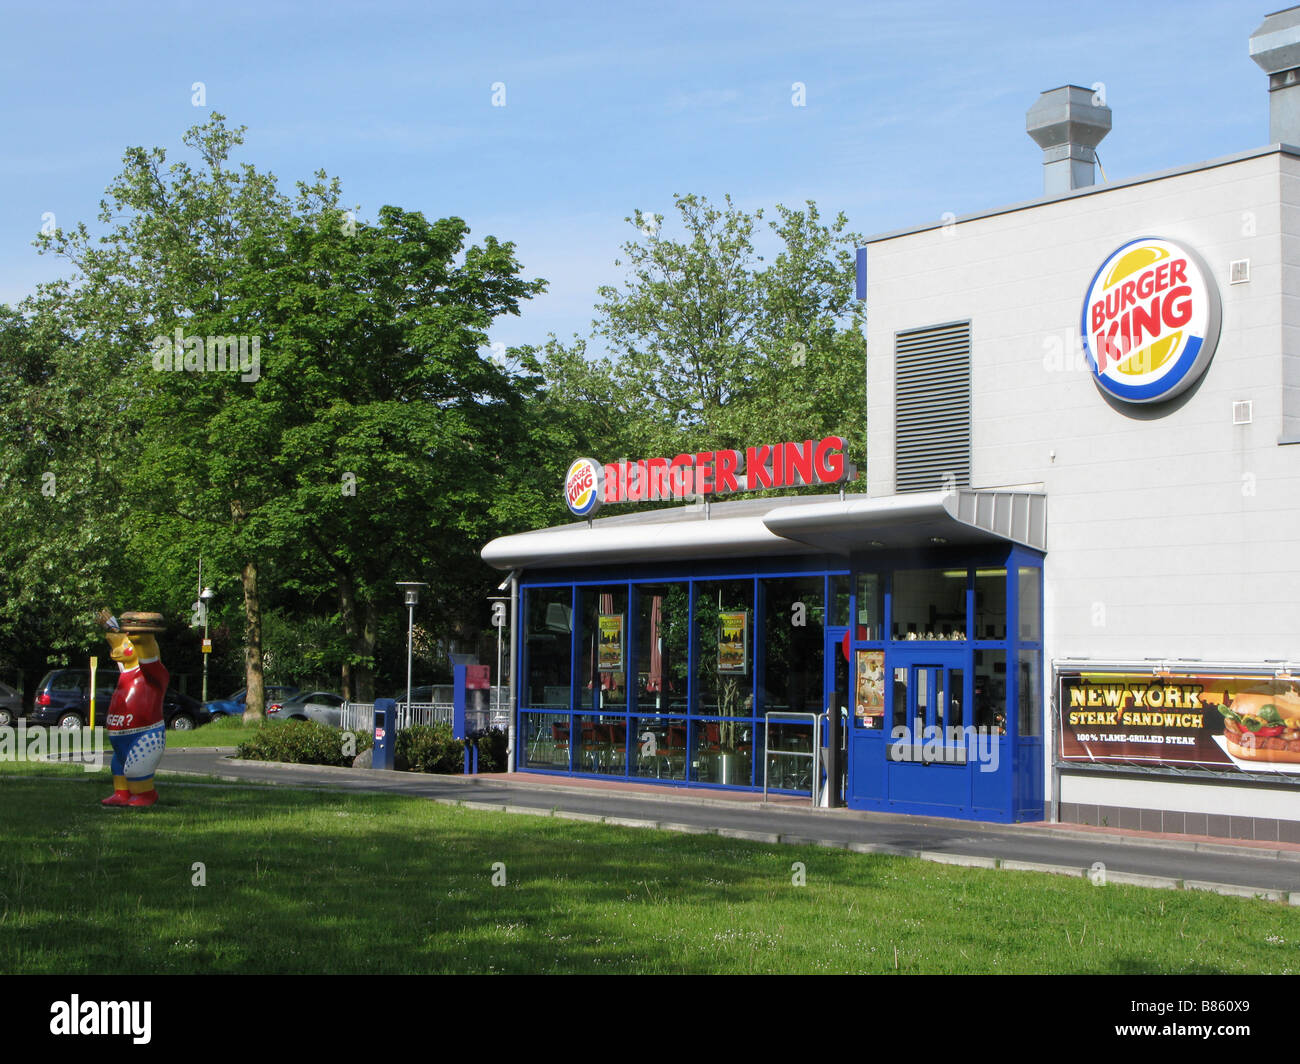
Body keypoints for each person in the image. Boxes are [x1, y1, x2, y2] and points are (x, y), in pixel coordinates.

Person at [98, 610, 168, 808]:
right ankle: (121, 793)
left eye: (127, 647)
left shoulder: (153, 675)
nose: (118, 649)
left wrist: (142, 637)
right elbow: (116, 638)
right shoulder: (126, 671)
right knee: (118, 766)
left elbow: (148, 654)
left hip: (145, 734)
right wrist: (110, 625)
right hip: (121, 735)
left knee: (137, 768)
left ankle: (146, 794)